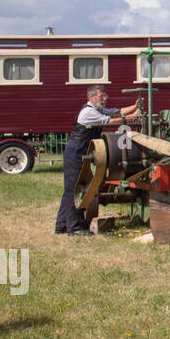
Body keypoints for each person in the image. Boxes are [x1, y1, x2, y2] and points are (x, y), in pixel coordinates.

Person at [55, 86, 139, 236]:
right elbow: (111, 121)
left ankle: (61, 225)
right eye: (101, 96)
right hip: (77, 151)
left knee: (71, 189)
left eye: (105, 95)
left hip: (82, 150)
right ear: (92, 98)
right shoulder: (88, 112)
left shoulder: (97, 109)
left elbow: (117, 112)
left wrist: (135, 106)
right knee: (77, 189)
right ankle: (74, 228)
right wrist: (133, 118)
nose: (105, 98)